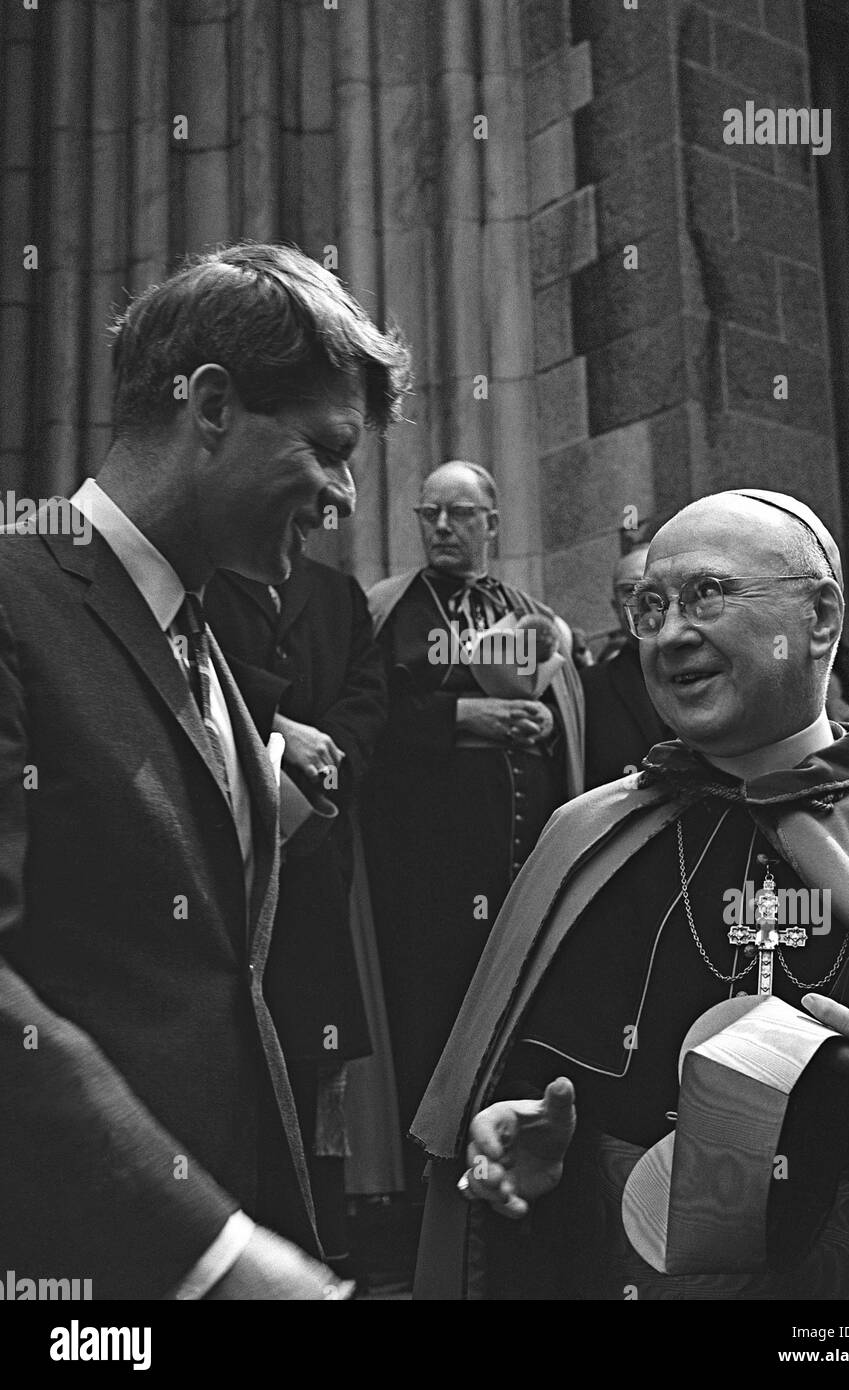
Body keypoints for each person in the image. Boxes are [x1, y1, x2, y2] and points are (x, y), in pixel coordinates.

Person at [411, 489, 849, 1300]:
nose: (669, 632)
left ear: (817, 617)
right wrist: (514, 1133)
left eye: (706, 594)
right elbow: (519, 1080)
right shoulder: (581, 835)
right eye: (649, 606)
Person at [0, 242, 410, 1300]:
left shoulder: (206, 645)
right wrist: (210, 1255)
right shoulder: (13, 596)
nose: (344, 497)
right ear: (214, 405)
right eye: (328, 449)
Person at [360, 460, 584, 1198]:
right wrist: (464, 716)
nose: (442, 527)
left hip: (519, 871)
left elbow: (573, 729)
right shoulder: (386, 611)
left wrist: (548, 723)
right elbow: (368, 722)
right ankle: (425, 1194)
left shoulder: (528, 611)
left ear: (492, 522)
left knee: (516, 1027)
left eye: (459, 513)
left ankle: (511, 1173)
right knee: (428, 1024)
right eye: (429, 514)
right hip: (422, 873)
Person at [205, 549, 388, 1283]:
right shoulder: (206, 579)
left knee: (318, 1057)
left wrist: (326, 755)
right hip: (230, 852)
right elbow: (190, 677)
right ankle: (240, 1249)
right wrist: (278, 727)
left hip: (317, 855)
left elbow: (369, 697)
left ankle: (321, 1244)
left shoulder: (337, 593)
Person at [580, 545, 671, 787]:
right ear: (614, 606)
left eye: (652, 588)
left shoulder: (714, 671)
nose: (643, 600)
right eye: (629, 590)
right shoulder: (587, 688)